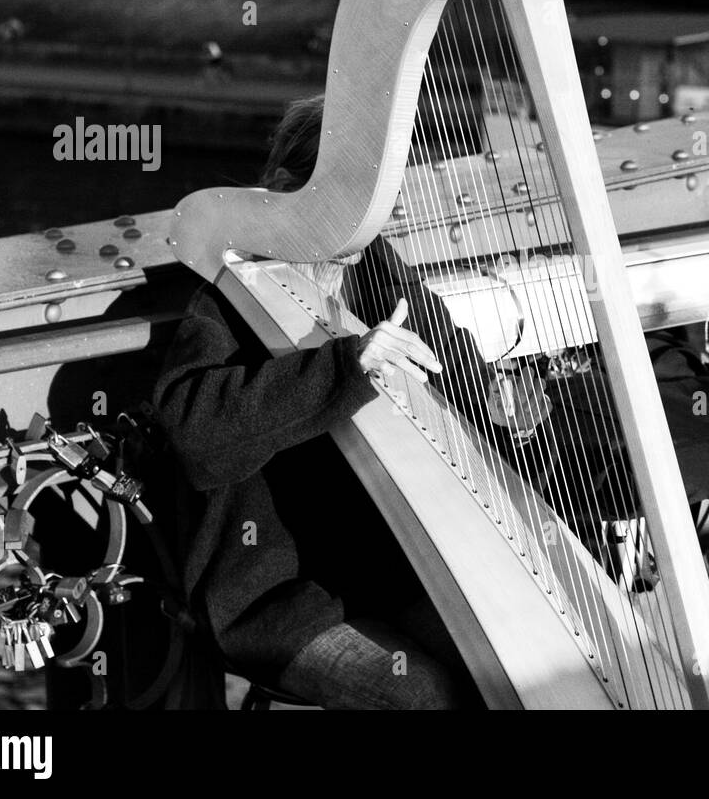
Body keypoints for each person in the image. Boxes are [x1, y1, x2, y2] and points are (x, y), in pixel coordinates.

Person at [154, 95, 480, 710]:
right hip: (278, 596)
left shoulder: (374, 266)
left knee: (533, 669)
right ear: (285, 188)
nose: (368, 230)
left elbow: (460, 369)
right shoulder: (228, 292)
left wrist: (509, 407)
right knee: (424, 697)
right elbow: (196, 431)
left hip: (390, 571)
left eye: (377, 208)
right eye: (352, 207)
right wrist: (346, 366)